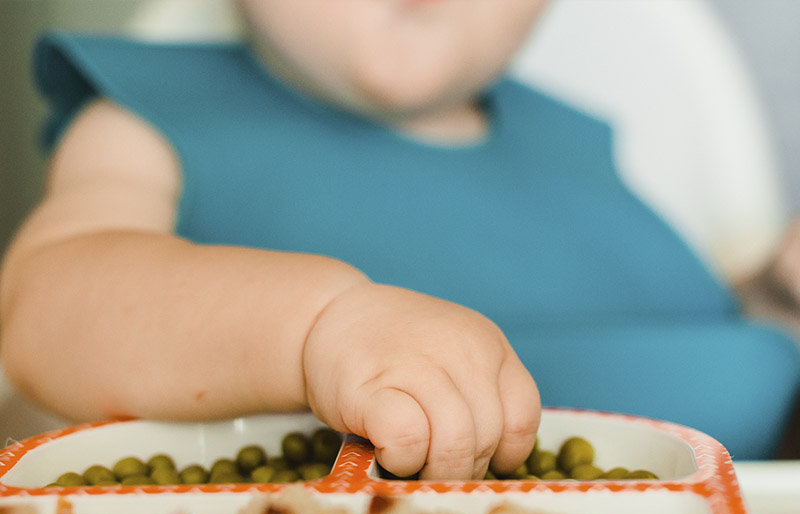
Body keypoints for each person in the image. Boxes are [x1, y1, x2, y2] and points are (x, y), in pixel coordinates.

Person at [0, 0, 798, 478]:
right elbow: (45, 306)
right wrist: (314, 330)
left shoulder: (581, 147)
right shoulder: (155, 120)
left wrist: (771, 299)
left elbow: (671, 329)